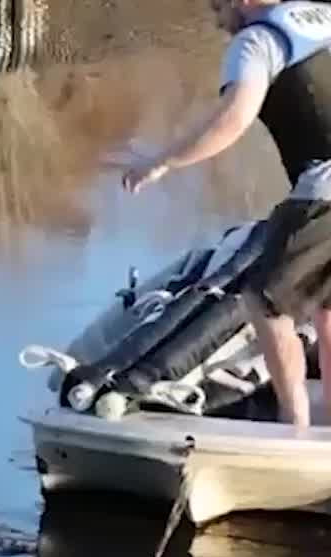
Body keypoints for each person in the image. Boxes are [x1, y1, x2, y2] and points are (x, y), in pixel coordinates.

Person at [122, 0, 331, 432]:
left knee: (265, 302)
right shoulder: (321, 13)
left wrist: (164, 161)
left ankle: (295, 429)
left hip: (325, 185)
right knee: (328, 309)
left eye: (218, 8)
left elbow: (234, 118)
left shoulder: (257, 40)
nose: (218, 22)